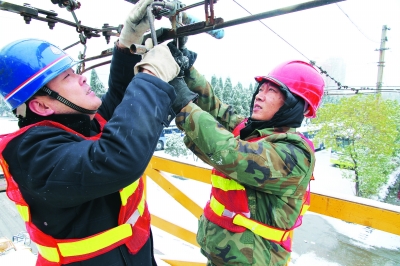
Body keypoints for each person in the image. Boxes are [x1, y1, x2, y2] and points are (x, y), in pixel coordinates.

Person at [0, 0, 197, 265]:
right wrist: (152, 74)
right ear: (41, 105)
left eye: (75, 71)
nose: (82, 77)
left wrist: (127, 45)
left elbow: (119, 96)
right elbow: (116, 159)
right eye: (67, 77)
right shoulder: (32, 155)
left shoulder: (80, 127)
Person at [167, 43, 324, 266]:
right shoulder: (254, 132)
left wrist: (183, 105)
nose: (260, 96)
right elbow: (216, 109)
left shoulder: (294, 155)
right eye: (260, 89)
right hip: (223, 256)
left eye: (272, 91)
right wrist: (187, 70)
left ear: (294, 105)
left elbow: (231, 154)